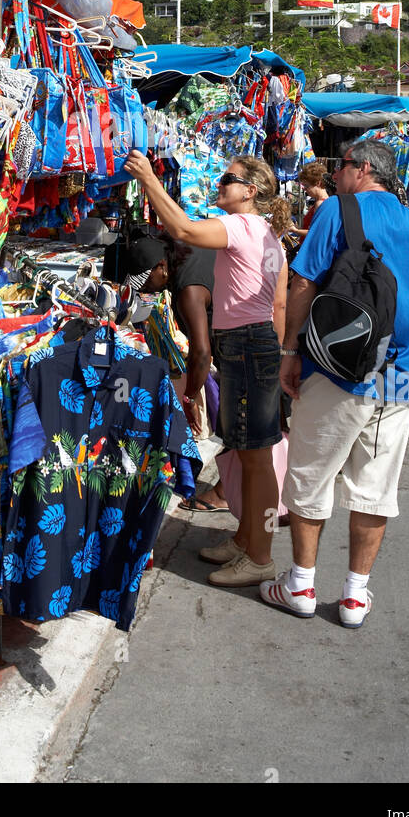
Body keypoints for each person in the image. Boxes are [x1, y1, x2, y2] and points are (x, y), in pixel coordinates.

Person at [265, 139, 409, 628]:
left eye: (341, 166)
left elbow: (303, 282)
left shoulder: (338, 211)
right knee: (375, 488)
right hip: (398, 377)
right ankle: (355, 598)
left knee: (310, 475)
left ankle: (300, 585)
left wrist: (291, 351)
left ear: (361, 169)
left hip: (335, 371)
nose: (336, 175)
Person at [123, 150, 289, 587]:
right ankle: (247, 540)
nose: (219, 184)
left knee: (256, 460)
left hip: (246, 345)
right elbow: (278, 302)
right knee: (250, 454)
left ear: (250, 191)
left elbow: (182, 229)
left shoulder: (240, 225)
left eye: (228, 179)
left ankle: (261, 556)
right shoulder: (267, 233)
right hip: (254, 343)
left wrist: (148, 179)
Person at [124, 233, 217, 442]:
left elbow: (201, 353)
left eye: (146, 282)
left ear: (162, 266)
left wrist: (190, 397)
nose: (144, 289)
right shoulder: (185, 251)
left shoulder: (188, 291)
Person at [288, 162, 331, 239]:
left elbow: (316, 233)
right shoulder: (325, 201)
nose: (304, 189)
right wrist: (297, 228)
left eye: (306, 186)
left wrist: (295, 230)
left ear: (318, 183)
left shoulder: (320, 203)